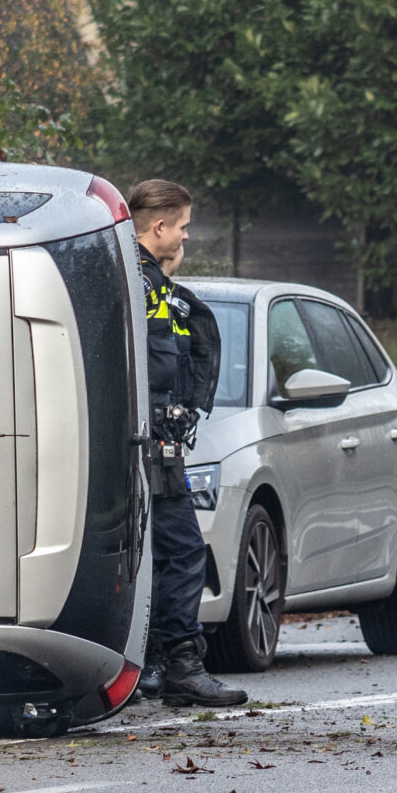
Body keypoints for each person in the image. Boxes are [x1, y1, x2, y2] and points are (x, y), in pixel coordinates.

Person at [129, 179, 248, 708]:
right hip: (149, 440)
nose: (185, 236)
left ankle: (153, 664)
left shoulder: (142, 281)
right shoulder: (143, 285)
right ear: (159, 227)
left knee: (153, 551)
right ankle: (181, 664)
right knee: (182, 550)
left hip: (144, 438)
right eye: (182, 227)